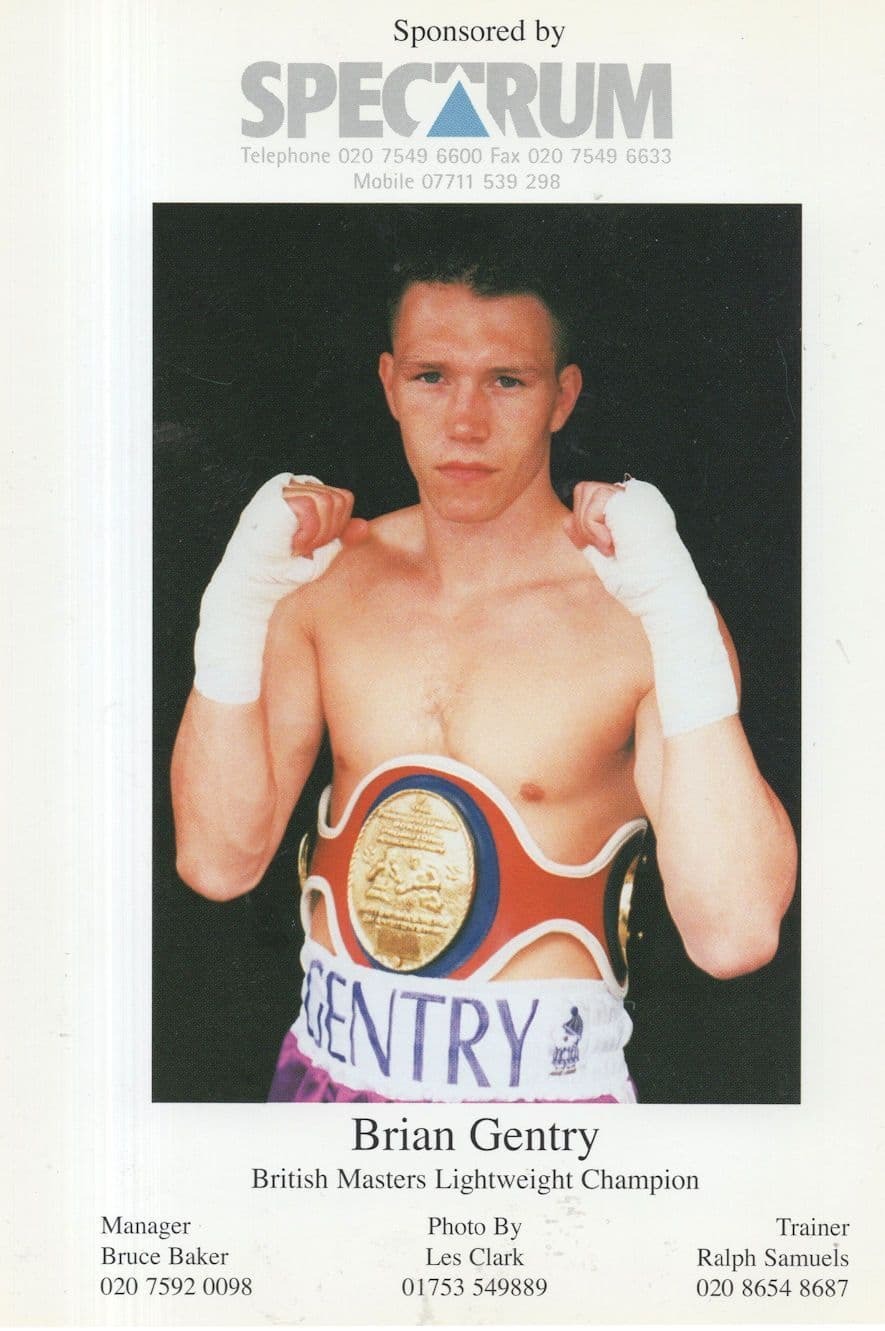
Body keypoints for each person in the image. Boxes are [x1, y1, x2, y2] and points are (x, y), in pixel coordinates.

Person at [171, 255, 797, 1104]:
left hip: (547, 1121)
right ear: (389, 384)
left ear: (561, 397)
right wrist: (233, 607)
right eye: (432, 376)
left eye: (506, 380)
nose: (463, 423)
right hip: (323, 1085)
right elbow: (217, 863)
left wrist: (679, 620)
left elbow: (734, 932)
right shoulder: (323, 584)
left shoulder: (638, 613)